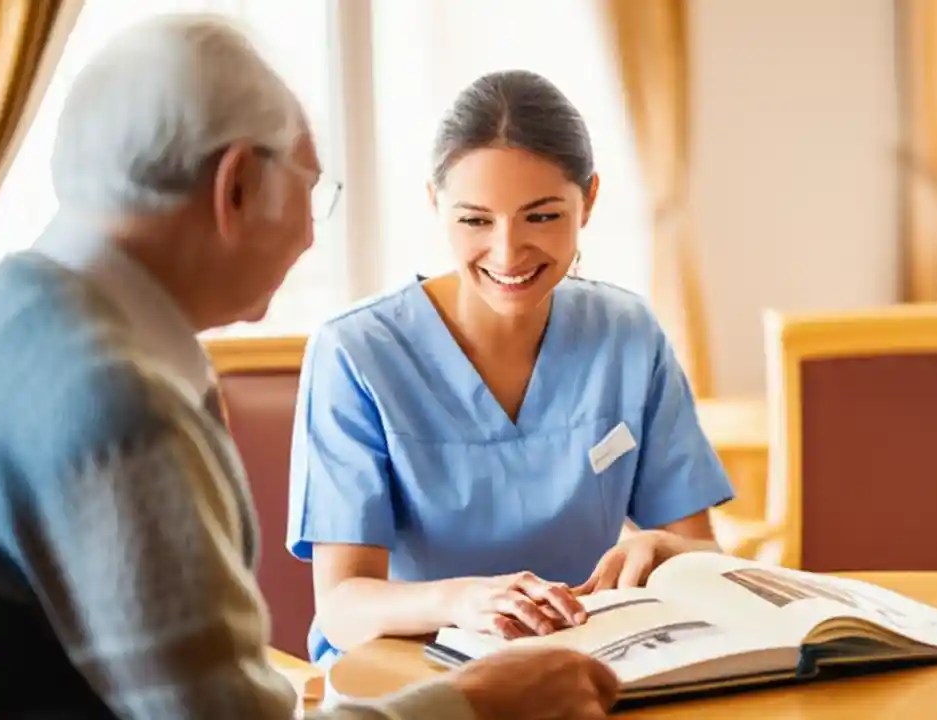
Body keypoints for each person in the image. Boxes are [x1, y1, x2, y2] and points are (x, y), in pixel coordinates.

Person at [0, 14, 616, 720]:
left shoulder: (15, 314)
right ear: (235, 187)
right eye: (312, 189)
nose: (313, 234)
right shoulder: (120, 407)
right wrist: (475, 704)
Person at [287, 69, 735, 668]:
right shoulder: (356, 353)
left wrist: (663, 550)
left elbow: (701, 547)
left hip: (590, 671)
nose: (508, 252)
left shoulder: (628, 334)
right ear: (435, 205)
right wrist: (465, 601)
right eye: (475, 220)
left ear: (589, 201)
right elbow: (342, 604)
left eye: (543, 217)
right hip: (409, 682)